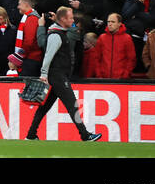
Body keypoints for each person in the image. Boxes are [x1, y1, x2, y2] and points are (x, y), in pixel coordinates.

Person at [25, 7, 102, 141]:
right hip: (57, 76)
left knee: (44, 108)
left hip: (57, 76)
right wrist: (44, 74)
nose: (73, 21)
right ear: (63, 19)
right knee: (72, 105)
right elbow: (48, 56)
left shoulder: (59, 32)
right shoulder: (56, 35)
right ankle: (85, 135)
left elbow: (73, 31)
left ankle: (31, 135)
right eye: (71, 18)